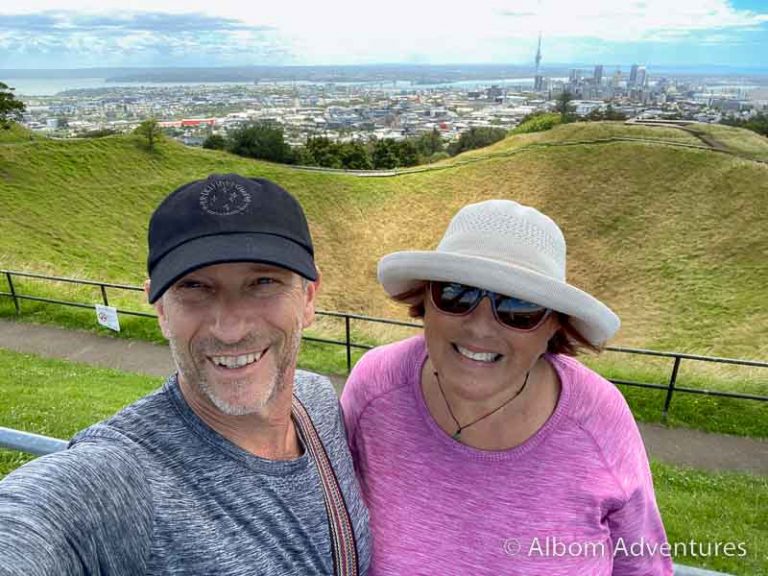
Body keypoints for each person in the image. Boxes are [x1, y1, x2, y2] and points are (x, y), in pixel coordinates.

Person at [0, 174, 371, 575]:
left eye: (263, 282)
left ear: (310, 297)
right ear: (160, 309)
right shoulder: (122, 476)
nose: (230, 329)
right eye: (194, 286)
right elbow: (30, 526)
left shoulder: (316, 400)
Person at [341, 199, 673, 575]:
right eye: (455, 293)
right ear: (424, 301)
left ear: (554, 326)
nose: (481, 327)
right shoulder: (375, 388)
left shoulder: (598, 417)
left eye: (518, 307)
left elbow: (643, 566)